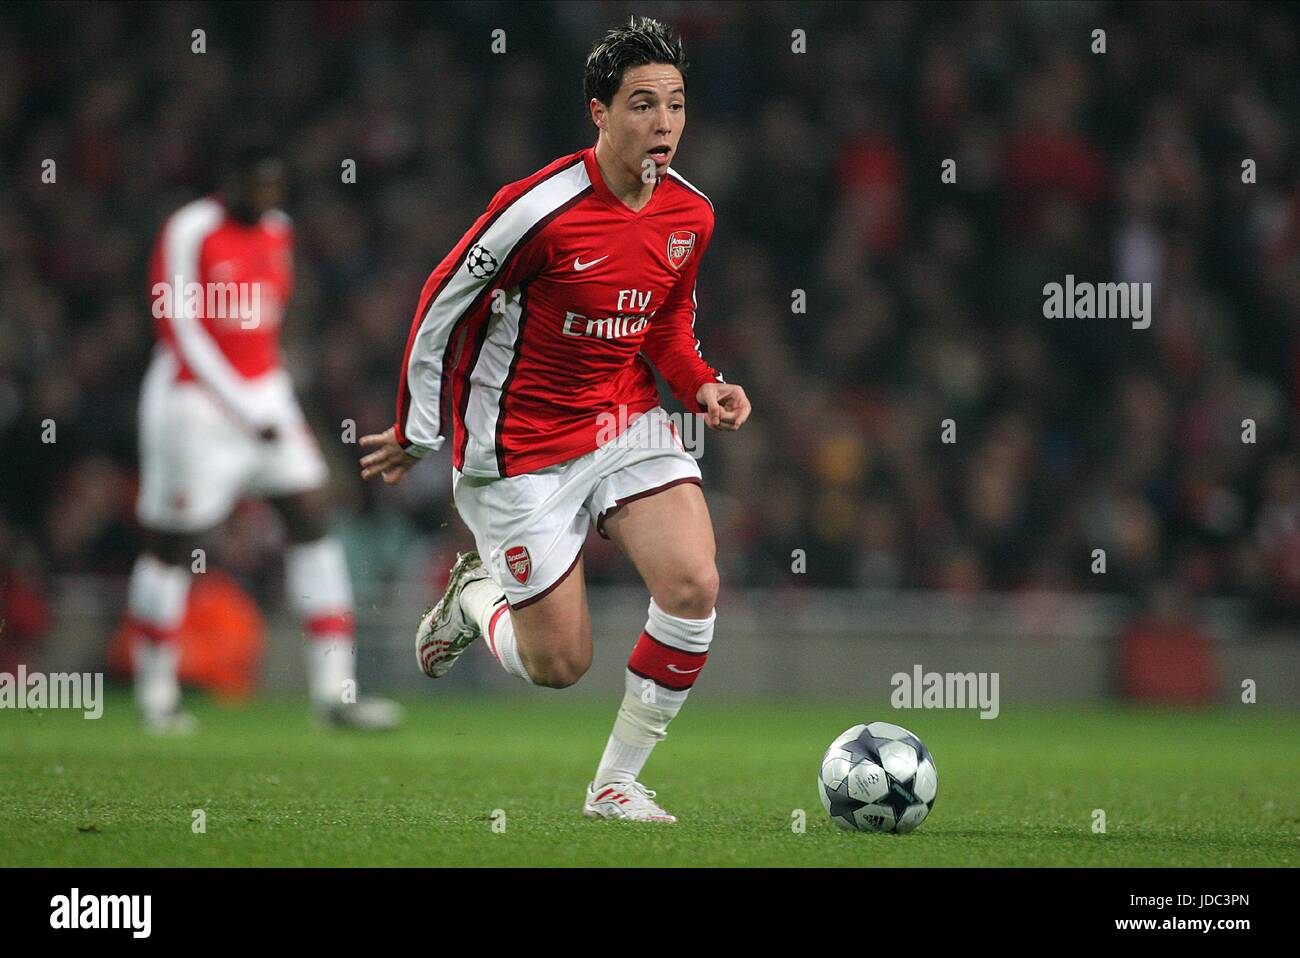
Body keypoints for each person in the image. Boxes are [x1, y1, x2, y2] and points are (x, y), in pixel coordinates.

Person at [360, 16, 750, 822]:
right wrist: (417, 427)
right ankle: (475, 598)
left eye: (676, 104)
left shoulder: (690, 216)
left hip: (623, 420)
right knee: (560, 664)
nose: (664, 122)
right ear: (599, 113)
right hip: (519, 447)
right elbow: (441, 303)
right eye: (643, 104)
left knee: (694, 583)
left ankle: (615, 784)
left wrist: (703, 384)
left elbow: (666, 328)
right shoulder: (536, 212)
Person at [125, 144, 402, 734]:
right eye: (258, 187)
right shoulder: (191, 228)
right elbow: (180, 329)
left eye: (276, 189)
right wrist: (243, 409)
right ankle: (156, 694)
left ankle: (334, 695)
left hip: (263, 400)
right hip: (191, 404)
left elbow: (271, 322)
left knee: (313, 520)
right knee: (172, 545)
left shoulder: (279, 231)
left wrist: (276, 396)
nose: (268, 199)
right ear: (231, 181)